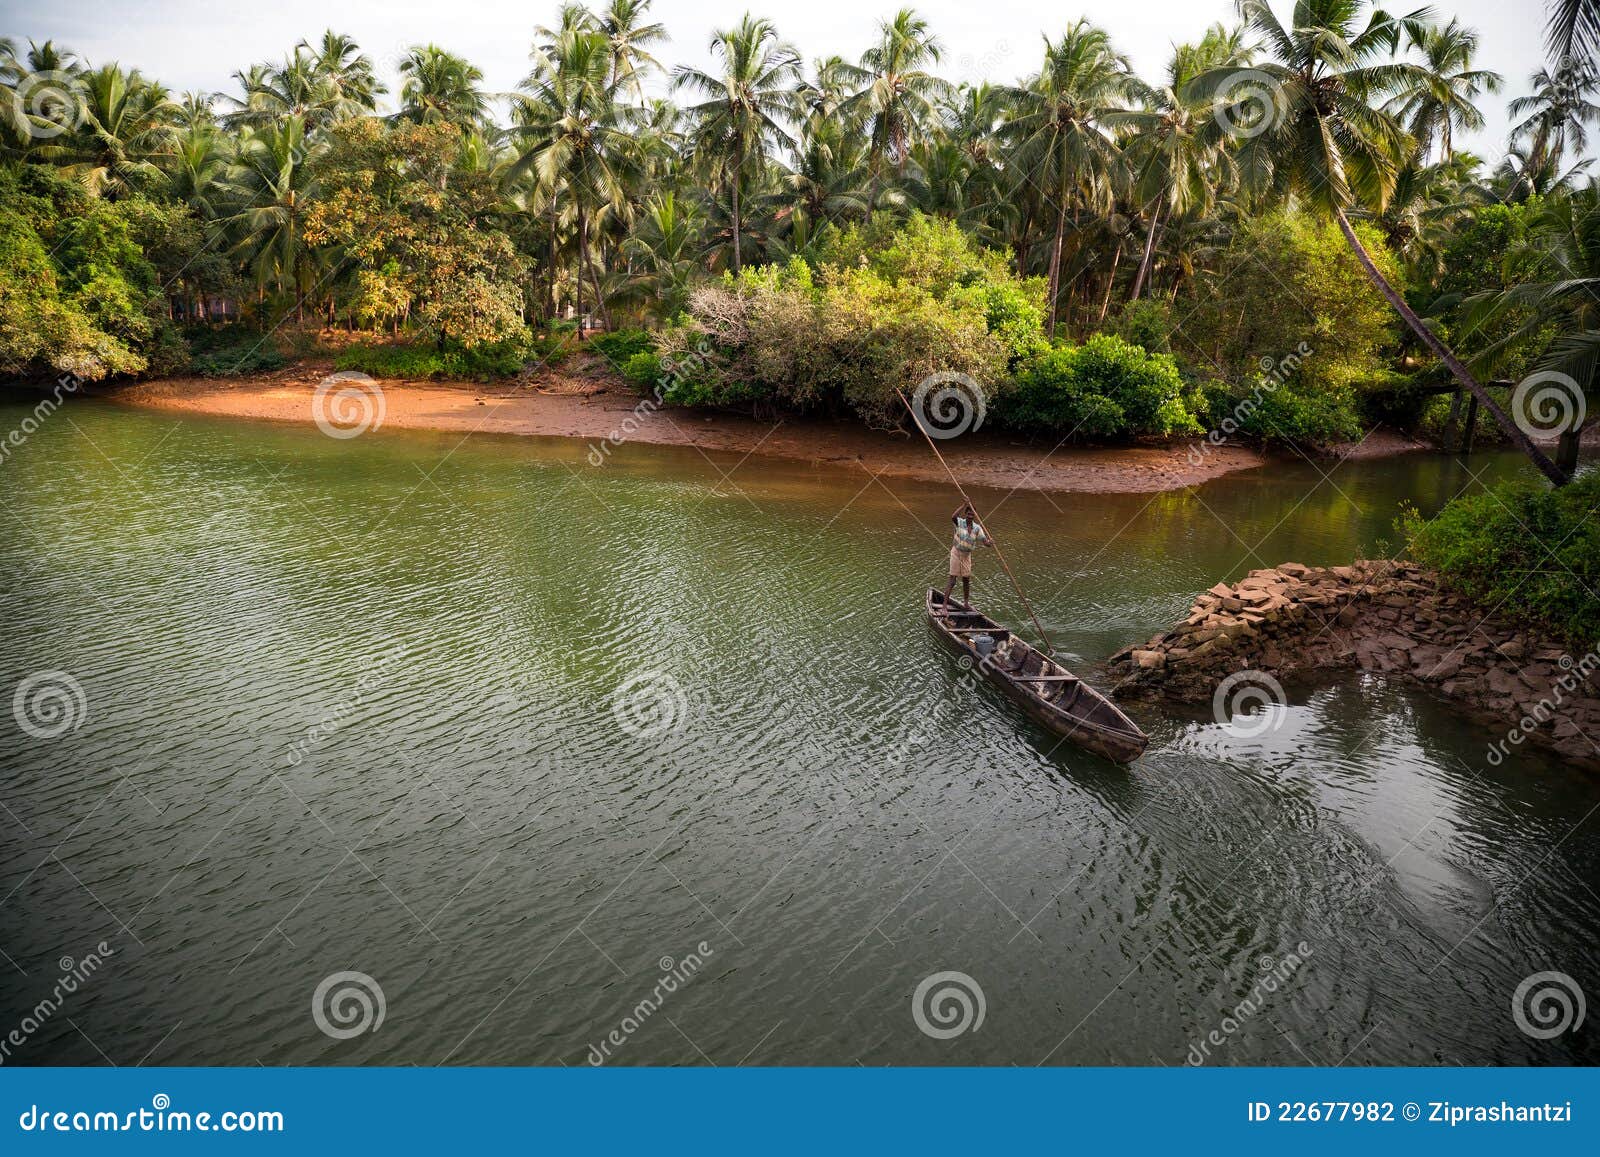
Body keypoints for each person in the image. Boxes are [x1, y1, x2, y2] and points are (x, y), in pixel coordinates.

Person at [943, 501, 991, 612]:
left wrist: (990, 543)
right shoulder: (959, 522)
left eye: (972, 515)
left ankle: (966, 603)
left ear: (974, 515)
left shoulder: (977, 528)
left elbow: (985, 542)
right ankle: (944, 606)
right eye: (968, 514)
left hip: (966, 555)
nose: (970, 516)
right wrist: (963, 505)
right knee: (952, 580)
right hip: (956, 552)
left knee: (966, 579)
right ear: (966, 514)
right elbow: (953, 516)